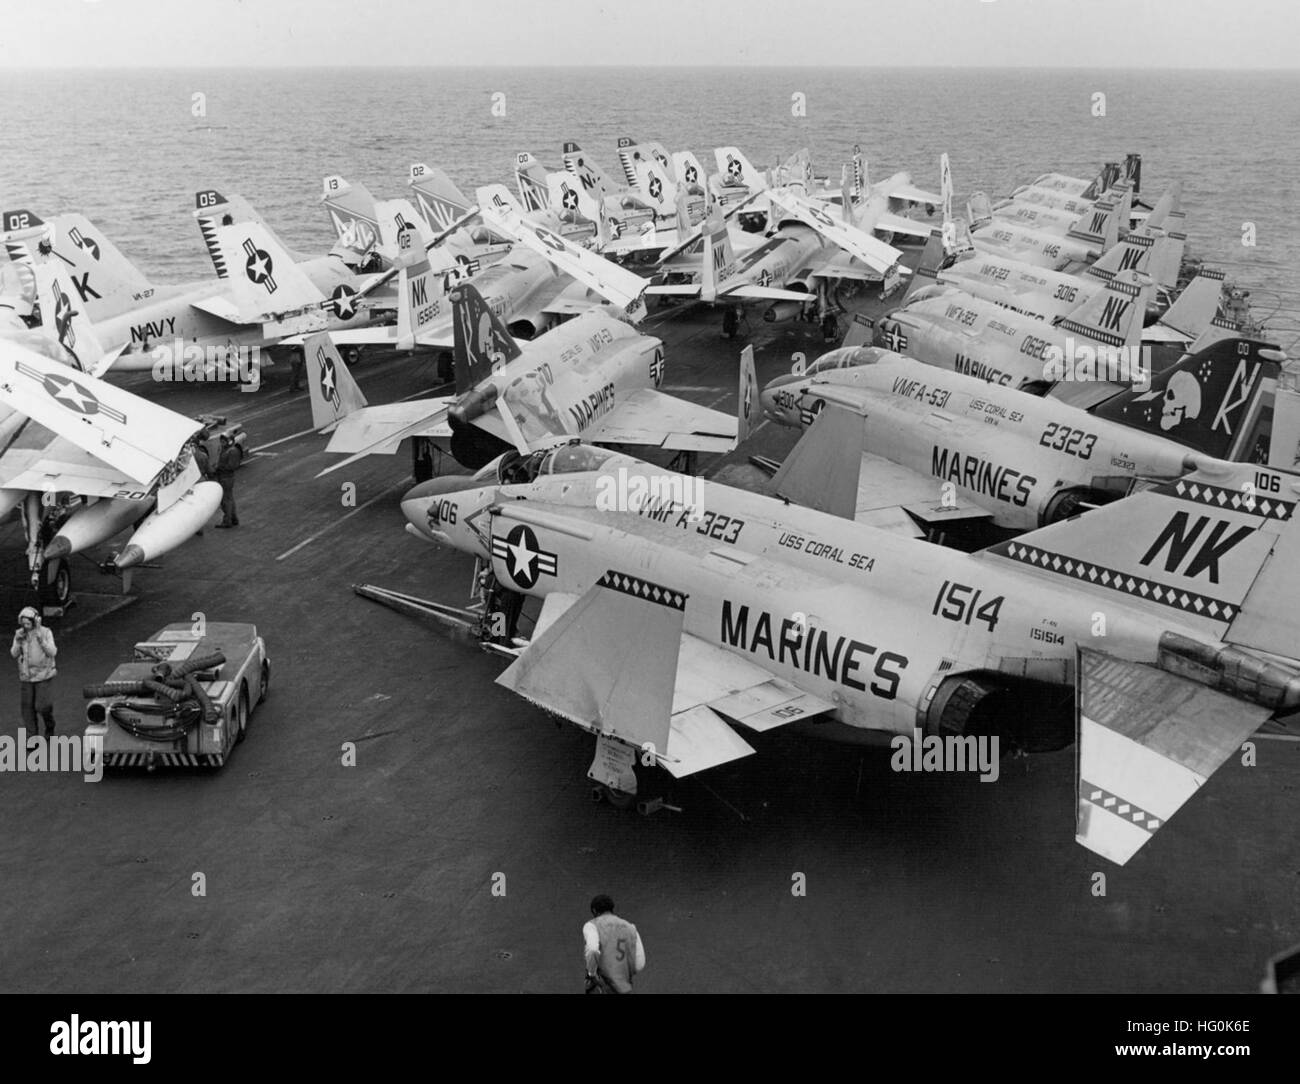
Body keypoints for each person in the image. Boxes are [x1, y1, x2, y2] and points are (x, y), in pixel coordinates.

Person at [583, 894, 645, 994]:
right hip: (624, 989)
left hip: (601, 987)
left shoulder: (591, 925)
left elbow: (593, 949)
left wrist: (592, 973)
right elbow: (639, 964)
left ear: (594, 911)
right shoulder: (631, 928)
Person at [11, 606, 56, 736]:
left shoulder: (45, 632)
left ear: (36, 621)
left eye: (28, 623)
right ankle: (32, 737)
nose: (26, 626)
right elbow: (14, 653)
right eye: (23, 624)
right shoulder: (20, 634)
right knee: (27, 709)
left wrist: (41, 640)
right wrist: (18, 641)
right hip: (26, 677)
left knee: (43, 706)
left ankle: (49, 724)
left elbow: (52, 652)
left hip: (43, 675)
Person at [214, 434, 241, 528]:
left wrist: (219, 468)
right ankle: (233, 518)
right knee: (229, 499)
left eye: (223, 441)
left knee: (226, 500)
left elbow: (231, 466)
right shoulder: (225, 450)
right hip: (225, 477)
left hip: (226, 477)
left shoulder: (232, 451)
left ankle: (227, 520)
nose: (222, 443)